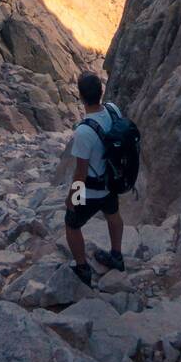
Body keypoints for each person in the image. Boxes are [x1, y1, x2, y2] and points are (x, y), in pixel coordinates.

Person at [64, 70, 125, 286]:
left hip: (91, 190)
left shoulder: (83, 132)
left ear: (81, 97)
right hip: (112, 181)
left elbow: (80, 173)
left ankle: (82, 269)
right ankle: (116, 255)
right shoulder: (112, 109)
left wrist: (72, 199)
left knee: (71, 224)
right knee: (113, 214)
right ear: (101, 92)